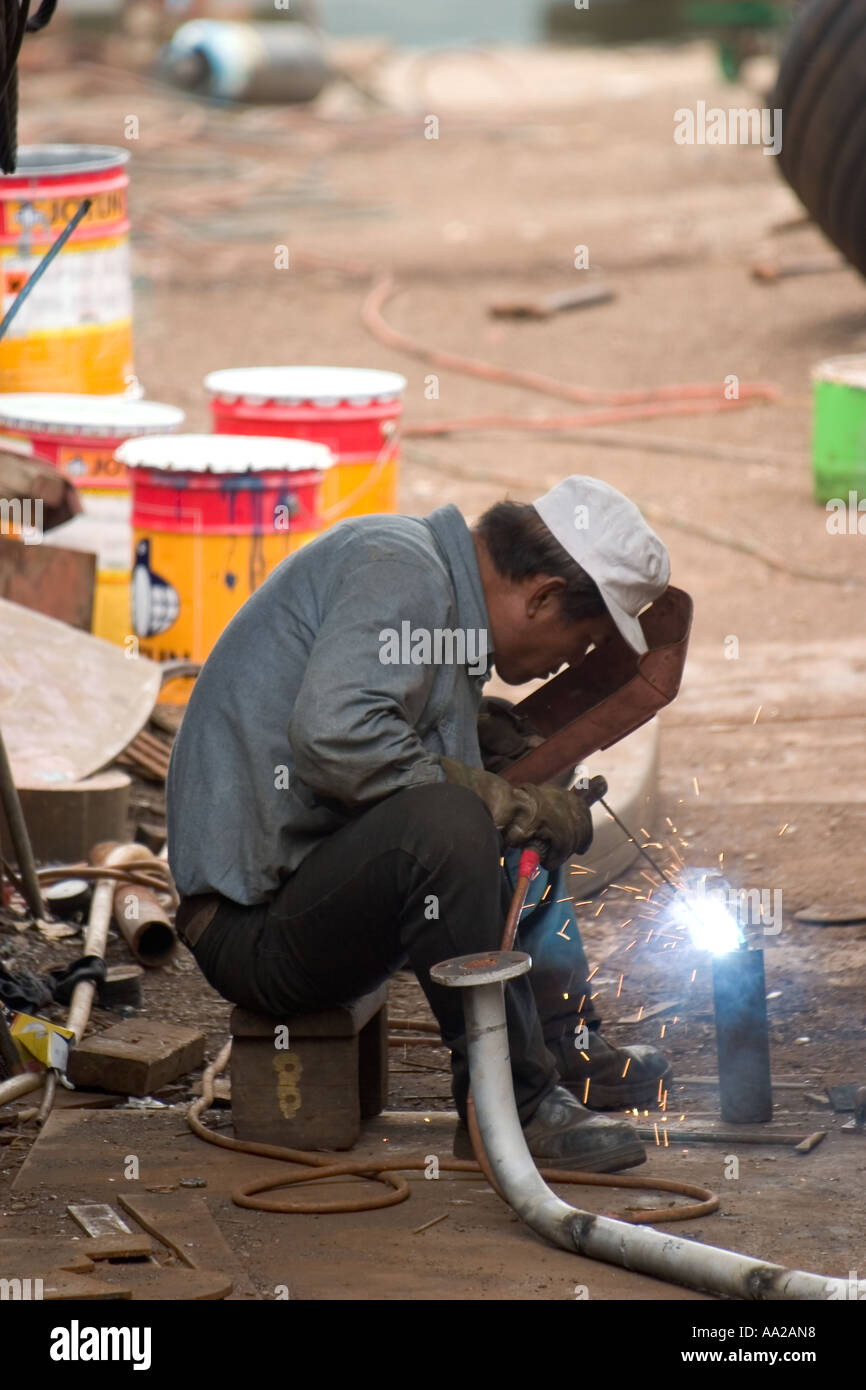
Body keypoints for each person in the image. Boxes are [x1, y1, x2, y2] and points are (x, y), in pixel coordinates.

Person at [168, 474, 672, 1172]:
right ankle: (511, 1108)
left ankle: (562, 1045)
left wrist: (493, 761)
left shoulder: (436, 598)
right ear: (544, 595)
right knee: (453, 822)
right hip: (251, 935)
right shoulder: (402, 570)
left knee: (512, 794)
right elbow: (338, 741)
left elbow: (386, 747)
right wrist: (502, 800)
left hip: (302, 904)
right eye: (580, 642)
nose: (572, 662)